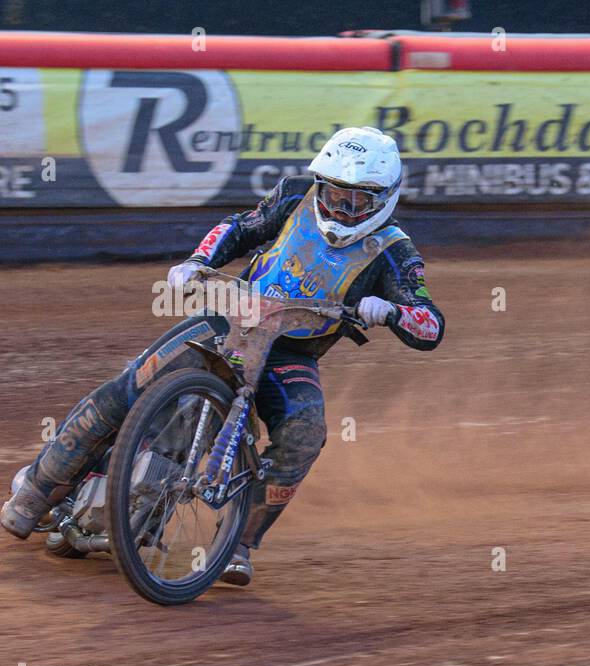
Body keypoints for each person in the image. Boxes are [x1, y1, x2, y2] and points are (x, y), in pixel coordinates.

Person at [2, 127, 445, 586]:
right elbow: (241, 226)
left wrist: (393, 311)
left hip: (290, 353)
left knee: (305, 433)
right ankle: (34, 493)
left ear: (386, 199)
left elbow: (431, 324)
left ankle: (238, 544)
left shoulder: (395, 252)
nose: (342, 209)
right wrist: (197, 260)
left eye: (358, 202)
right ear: (320, 183)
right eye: (335, 195)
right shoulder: (295, 196)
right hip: (228, 320)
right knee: (127, 389)